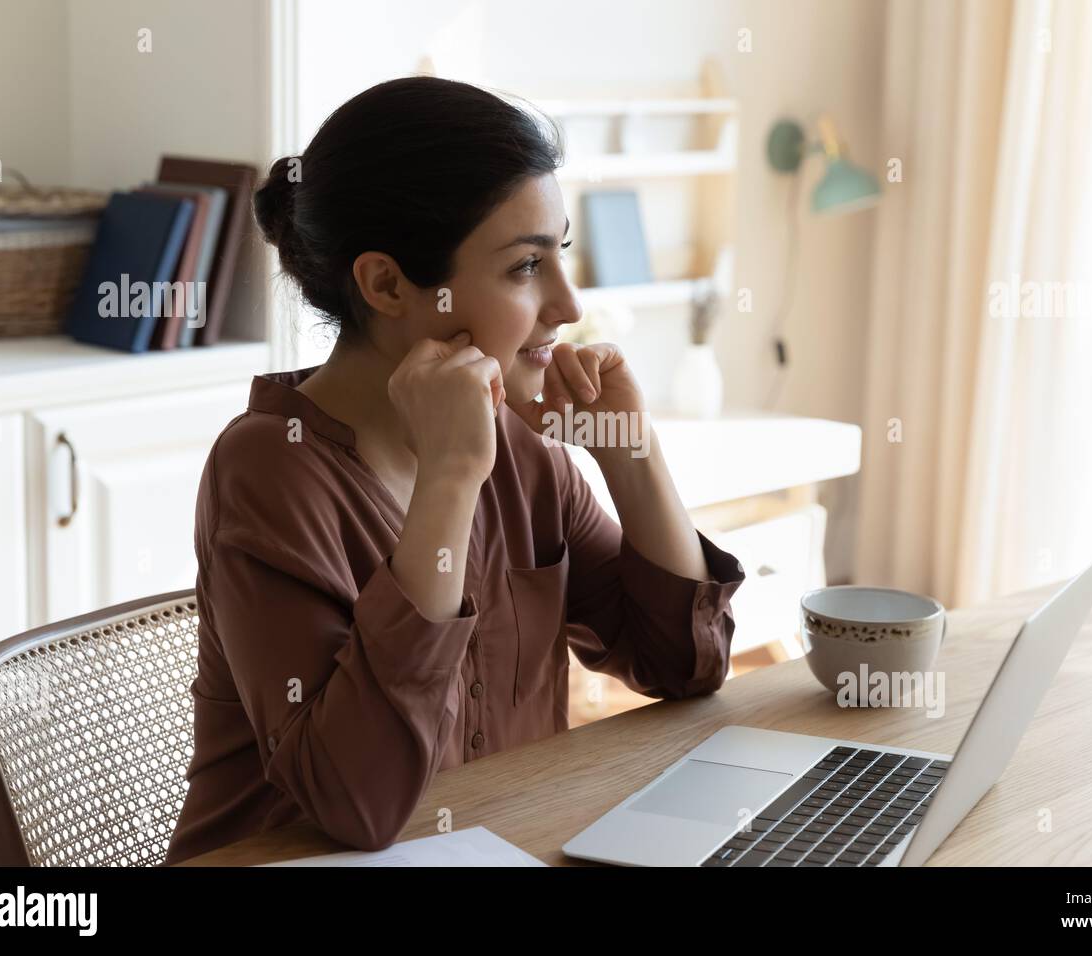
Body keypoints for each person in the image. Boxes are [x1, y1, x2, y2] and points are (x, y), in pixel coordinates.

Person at [163, 76, 746, 865]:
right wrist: (448, 481)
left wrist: (628, 450)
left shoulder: (527, 450)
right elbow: (355, 804)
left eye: (560, 254)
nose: (569, 304)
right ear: (388, 284)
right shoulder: (270, 470)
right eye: (524, 267)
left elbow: (685, 665)